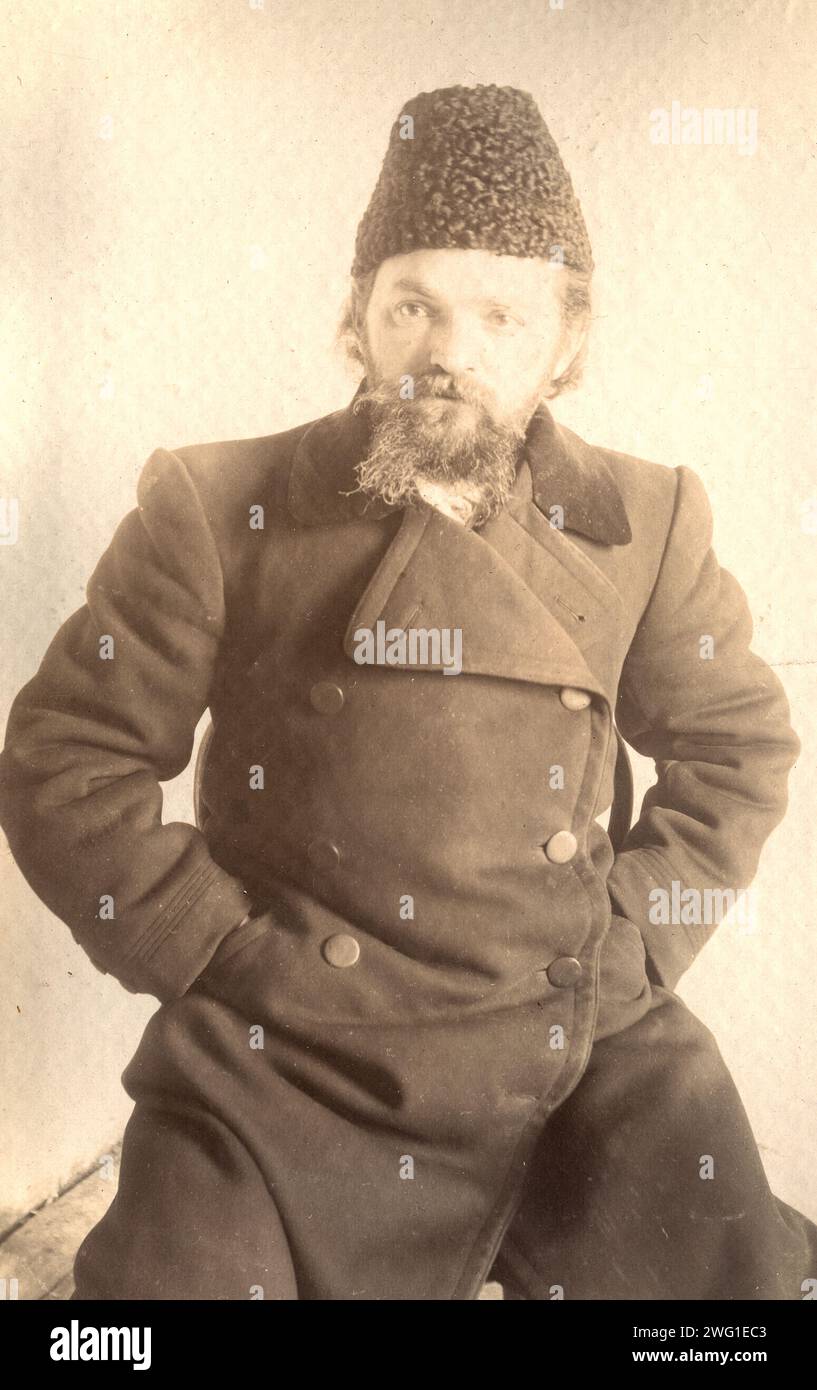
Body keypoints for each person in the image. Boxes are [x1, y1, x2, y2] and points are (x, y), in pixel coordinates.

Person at [1, 83, 814, 1301]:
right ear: (358, 321)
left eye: (500, 313)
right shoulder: (218, 504)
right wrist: (217, 950)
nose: (449, 350)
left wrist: (629, 950)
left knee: (723, 1310)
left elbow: (738, 752)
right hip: (286, 1057)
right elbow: (65, 757)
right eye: (414, 304)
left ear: (566, 342)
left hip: (566, 1043)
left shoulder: (647, 520)